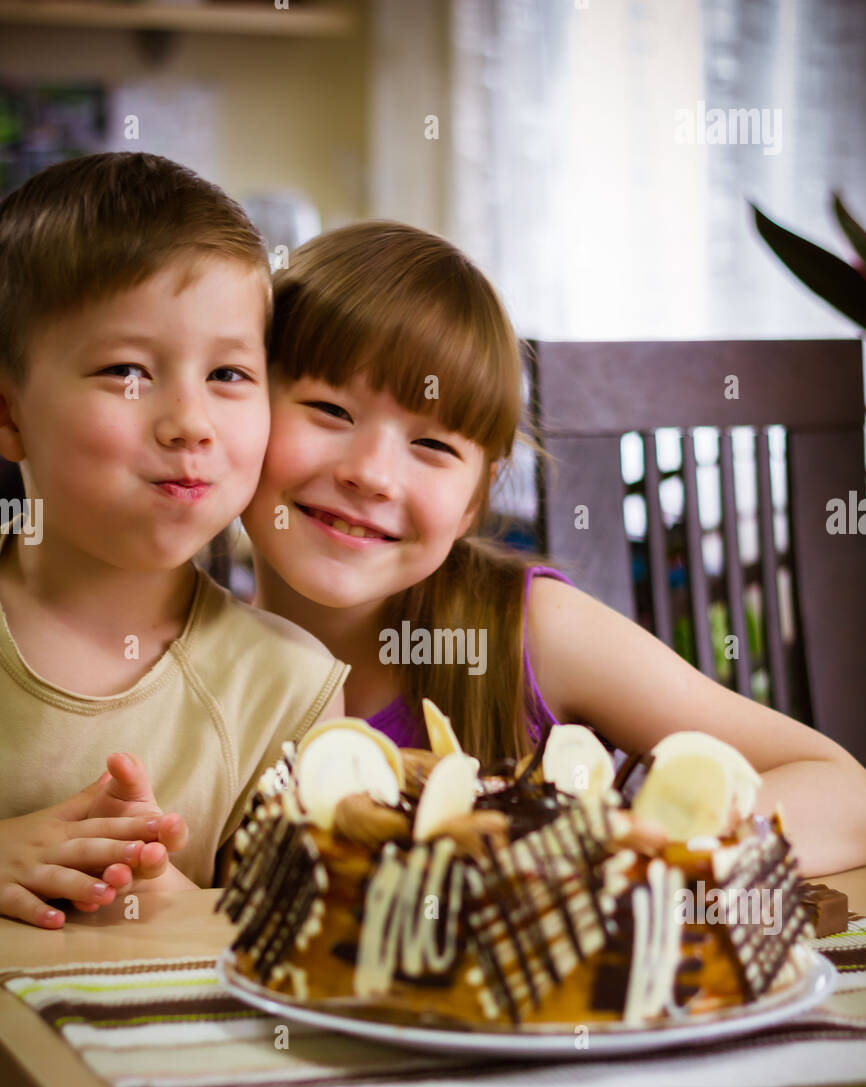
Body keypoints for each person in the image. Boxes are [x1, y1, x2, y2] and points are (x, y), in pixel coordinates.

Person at [243, 219, 866, 878]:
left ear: (473, 503)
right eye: (330, 410)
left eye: (432, 445)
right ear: (243, 402)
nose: (370, 472)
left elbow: (845, 793)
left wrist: (605, 855)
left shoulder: (530, 632)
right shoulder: (180, 658)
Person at [0, 153, 347, 929]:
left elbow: (304, 945)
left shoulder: (288, 690)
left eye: (228, 374)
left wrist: (176, 905)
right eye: (127, 371)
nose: (189, 421)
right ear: (9, 413)